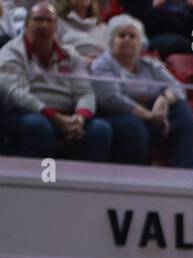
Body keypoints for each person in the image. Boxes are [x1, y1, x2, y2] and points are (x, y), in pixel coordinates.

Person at [0, 2, 112, 161]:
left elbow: (85, 92)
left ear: (56, 26)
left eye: (49, 20)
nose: (44, 25)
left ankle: (82, 183)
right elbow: (17, 94)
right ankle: (43, 181)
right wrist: (55, 117)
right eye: (38, 20)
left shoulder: (70, 54)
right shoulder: (10, 52)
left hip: (68, 115)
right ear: (27, 24)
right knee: (38, 126)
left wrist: (79, 117)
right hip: (28, 113)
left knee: (101, 129)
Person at [89, 14, 193, 168]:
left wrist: (164, 99)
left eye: (132, 36)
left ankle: (185, 170)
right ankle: (137, 177)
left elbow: (178, 89)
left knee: (182, 110)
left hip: (153, 117)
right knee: (134, 127)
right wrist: (149, 116)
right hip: (117, 116)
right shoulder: (102, 64)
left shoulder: (150, 64)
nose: (127, 39)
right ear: (111, 41)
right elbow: (110, 99)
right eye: (121, 35)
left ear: (141, 43)